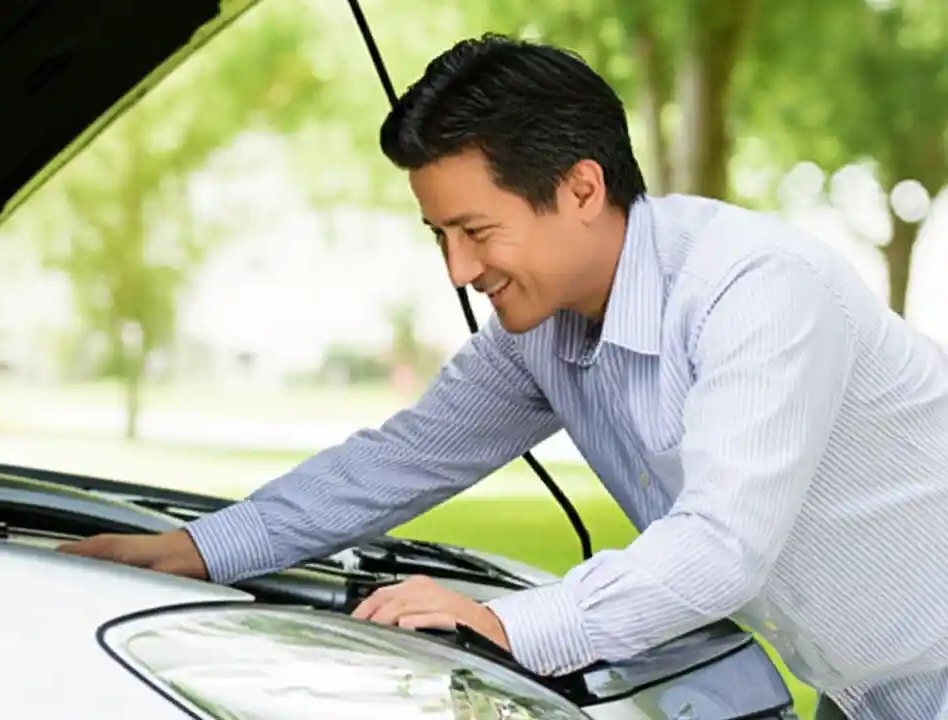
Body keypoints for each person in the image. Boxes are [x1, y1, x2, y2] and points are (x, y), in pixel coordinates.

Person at [58, 34, 948, 720]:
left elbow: (720, 546)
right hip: (870, 687)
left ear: (581, 189)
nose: (456, 270)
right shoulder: (540, 330)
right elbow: (400, 460)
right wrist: (201, 548)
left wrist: (508, 625)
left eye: (476, 232)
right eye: (438, 236)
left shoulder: (753, 293)